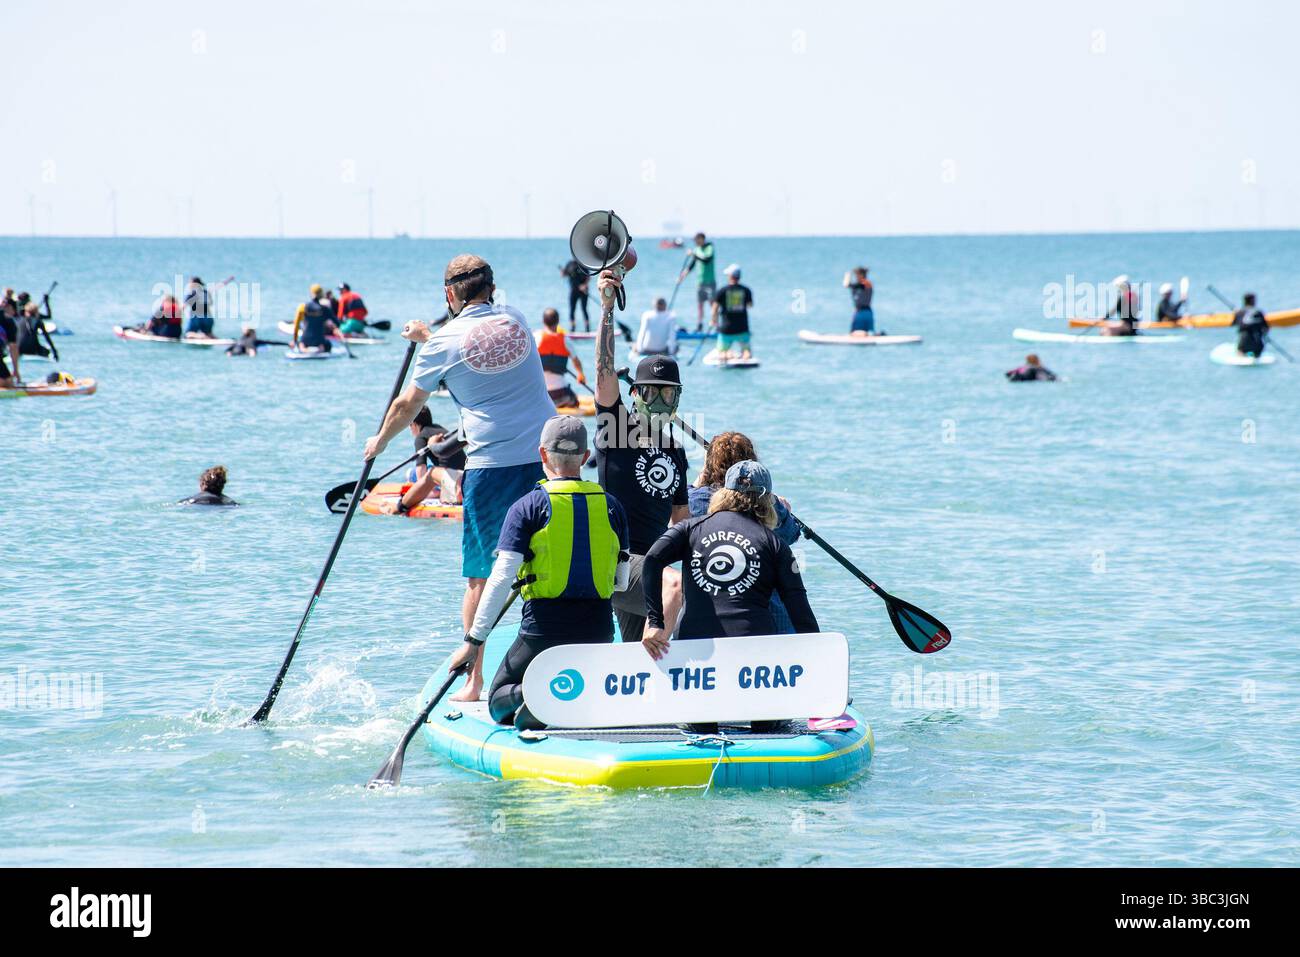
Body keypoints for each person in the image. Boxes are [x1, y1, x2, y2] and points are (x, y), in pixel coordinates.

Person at [364, 254, 553, 702]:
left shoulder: (441, 343)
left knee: (481, 576)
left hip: (492, 466)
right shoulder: (516, 319)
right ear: (492, 289)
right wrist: (431, 338)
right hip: (547, 459)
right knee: (547, 563)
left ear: (449, 294)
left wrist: (379, 442)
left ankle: (474, 681)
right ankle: (550, 663)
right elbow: (481, 349)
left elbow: (406, 406)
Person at [446, 415, 631, 730]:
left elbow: (501, 578)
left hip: (543, 631)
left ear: (542, 455)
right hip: (598, 631)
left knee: (497, 701)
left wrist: (473, 640)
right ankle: (570, 692)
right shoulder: (613, 506)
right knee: (583, 676)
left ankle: (536, 695)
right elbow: (621, 581)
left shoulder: (528, 506)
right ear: (586, 458)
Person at [641, 460, 819, 733]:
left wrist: (655, 621)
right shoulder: (775, 545)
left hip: (695, 660)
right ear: (767, 501)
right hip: (755, 662)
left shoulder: (690, 529)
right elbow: (800, 611)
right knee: (769, 724)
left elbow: (651, 560)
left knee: (700, 723)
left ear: (723, 492)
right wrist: (817, 666)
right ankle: (765, 727)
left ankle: (702, 729)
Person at [594, 275, 688, 645]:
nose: (662, 401)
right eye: (653, 393)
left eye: (670, 394)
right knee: (674, 591)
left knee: (641, 652)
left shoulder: (675, 450)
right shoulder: (615, 428)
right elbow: (604, 371)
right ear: (636, 394)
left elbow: (681, 521)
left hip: (648, 568)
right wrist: (605, 309)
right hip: (610, 560)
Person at [688, 431, 802, 634]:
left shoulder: (698, 501)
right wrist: (783, 508)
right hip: (770, 615)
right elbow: (792, 534)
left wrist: (700, 477)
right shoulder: (768, 504)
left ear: (709, 465)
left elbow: (681, 505)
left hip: (710, 613)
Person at [382, 407, 468, 512]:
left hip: (450, 479)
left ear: (415, 424)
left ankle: (426, 494)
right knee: (421, 472)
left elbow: (421, 468)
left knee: (412, 474)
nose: (410, 429)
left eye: (410, 425)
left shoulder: (421, 437)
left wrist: (422, 491)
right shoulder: (439, 429)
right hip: (463, 474)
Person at [535, 307, 587, 409]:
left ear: (543, 321)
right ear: (558, 321)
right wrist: (580, 374)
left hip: (542, 394)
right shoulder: (565, 340)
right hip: (561, 393)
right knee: (574, 401)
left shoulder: (536, 336)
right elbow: (576, 361)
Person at [710, 264, 754, 358]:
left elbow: (714, 307)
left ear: (730, 276)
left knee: (722, 352)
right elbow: (750, 305)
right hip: (742, 327)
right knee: (746, 351)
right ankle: (745, 356)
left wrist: (713, 320)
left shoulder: (722, 291)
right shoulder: (746, 290)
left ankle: (728, 354)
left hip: (726, 328)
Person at [678, 232, 716, 331]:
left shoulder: (709, 248)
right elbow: (692, 265)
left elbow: (706, 259)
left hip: (710, 282)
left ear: (702, 239)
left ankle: (716, 326)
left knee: (712, 305)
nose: (695, 242)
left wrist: (693, 254)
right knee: (700, 305)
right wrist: (682, 276)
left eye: (696, 240)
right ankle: (699, 326)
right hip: (700, 282)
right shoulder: (697, 250)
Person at [292, 284, 338, 351]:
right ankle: (320, 349)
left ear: (311, 294)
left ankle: (302, 347)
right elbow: (337, 322)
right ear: (322, 294)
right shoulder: (325, 309)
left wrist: (295, 341)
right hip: (319, 341)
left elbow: (296, 325)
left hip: (305, 340)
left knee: (301, 343)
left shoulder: (302, 307)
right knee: (328, 345)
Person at [16, 295, 57, 360]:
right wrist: (55, 351)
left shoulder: (19, 319)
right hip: (32, 350)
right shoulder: (38, 321)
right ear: (36, 312)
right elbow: (47, 337)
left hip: (18, 350)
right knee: (47, 351)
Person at [560, 258, 592, 333]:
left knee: (584, 309)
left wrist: (584, 285)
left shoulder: (583, 264)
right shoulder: (570, 264)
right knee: (572, 310)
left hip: (583, 291)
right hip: (573, 291)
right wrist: (562, 273)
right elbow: (564, 274)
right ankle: (572, 328)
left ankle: (587, 328)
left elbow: (588, 276)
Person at [1233, 293, 1269, 358]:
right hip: (1257, 342)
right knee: (1257, 353)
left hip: (1244, 341)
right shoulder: (1258, 312)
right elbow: (1266, 327)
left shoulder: (1239, 312)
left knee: (1241, 352)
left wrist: (1236, 313)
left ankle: (1242, 355)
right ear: (1253, 301)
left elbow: (1234, 323)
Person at [843, 267, 875, 335]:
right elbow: (849, 285)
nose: (856, 277)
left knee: (868, 333)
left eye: (857, 275)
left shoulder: (867, 283)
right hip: (858, 311)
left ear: (861, 275)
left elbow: (848, 285)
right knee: (854, 333)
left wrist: (847, 276)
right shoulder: (858, 284)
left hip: (865, 312)